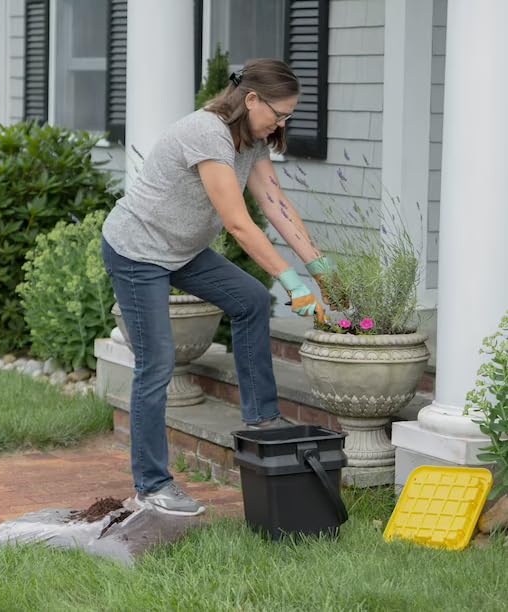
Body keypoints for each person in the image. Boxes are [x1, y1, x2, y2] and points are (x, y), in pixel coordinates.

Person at [101, 58, 336, 517]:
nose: (282, 124)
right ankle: (152, 485)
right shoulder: (206, 133)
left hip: (182, 249)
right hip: (137, 250)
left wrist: (320, 268)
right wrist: (292, 282)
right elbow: (237, 222)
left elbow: (274, 202)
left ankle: (262, 417)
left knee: (249, 300)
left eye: (289, 116)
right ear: (251, 100)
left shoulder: (252, 140)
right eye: (279, 114)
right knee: (157, 363)